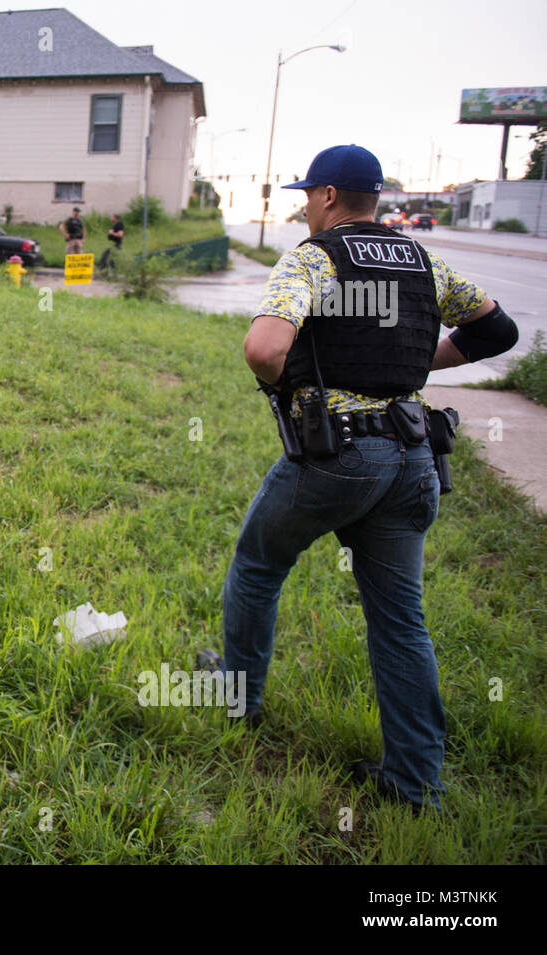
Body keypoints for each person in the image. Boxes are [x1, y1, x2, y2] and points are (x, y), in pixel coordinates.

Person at [202, 144, 518, 813]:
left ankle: (238, 699)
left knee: (259, 565)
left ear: (325, 196)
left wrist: (286, 382)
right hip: (412, 458)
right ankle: (416, 784)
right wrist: (412, 366)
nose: (302, 205)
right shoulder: (424, 261)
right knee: (401, 618)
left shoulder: (316, 258)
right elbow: (498, 329)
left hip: (337, 455)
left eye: (305, 194)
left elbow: (264, 347)